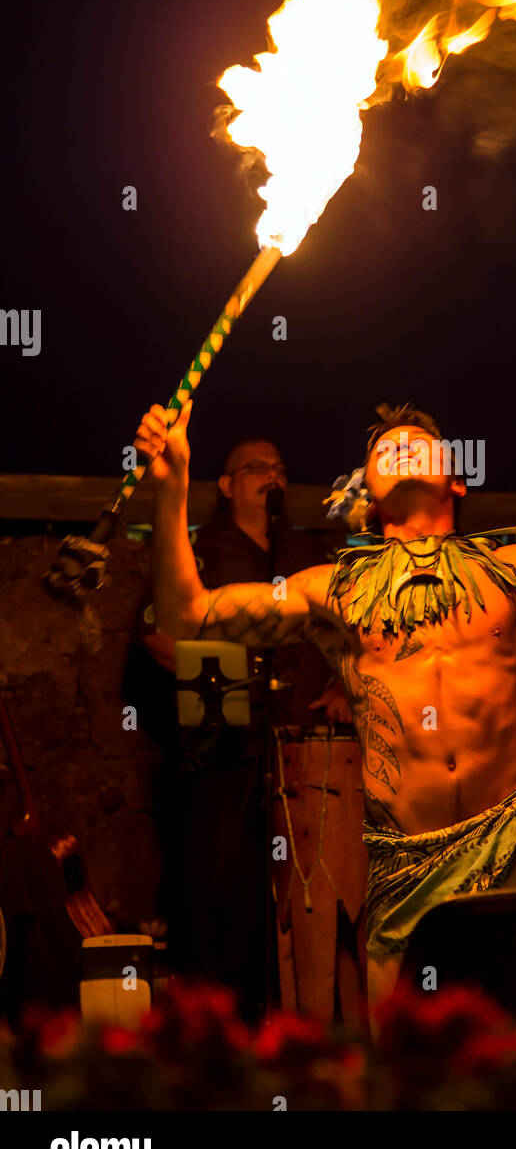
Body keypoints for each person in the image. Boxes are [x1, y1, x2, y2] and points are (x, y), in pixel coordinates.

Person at [133, 334, 516, 1018]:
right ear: (367, 495)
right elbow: (188, 615)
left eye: (418, 439)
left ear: (457, 479)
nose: (401, 444)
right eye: (384, 445)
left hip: (511, 827)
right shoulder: (332, 588)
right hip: (403, 862)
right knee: (403, 1069)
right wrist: (170, 490)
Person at [125, 435, 343, 1020]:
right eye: (254, 468)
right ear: (225, 485)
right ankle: (217, 1031)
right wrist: (228, 668)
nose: (270, 476)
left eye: (279, 467)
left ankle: (297, 1024)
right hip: (220, 755)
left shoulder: (312, 557)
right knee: (220, 889)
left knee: (304, 895)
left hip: (303, 758)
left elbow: (356, 634)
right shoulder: (202, 557)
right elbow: (154, 629)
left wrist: (344, 686)